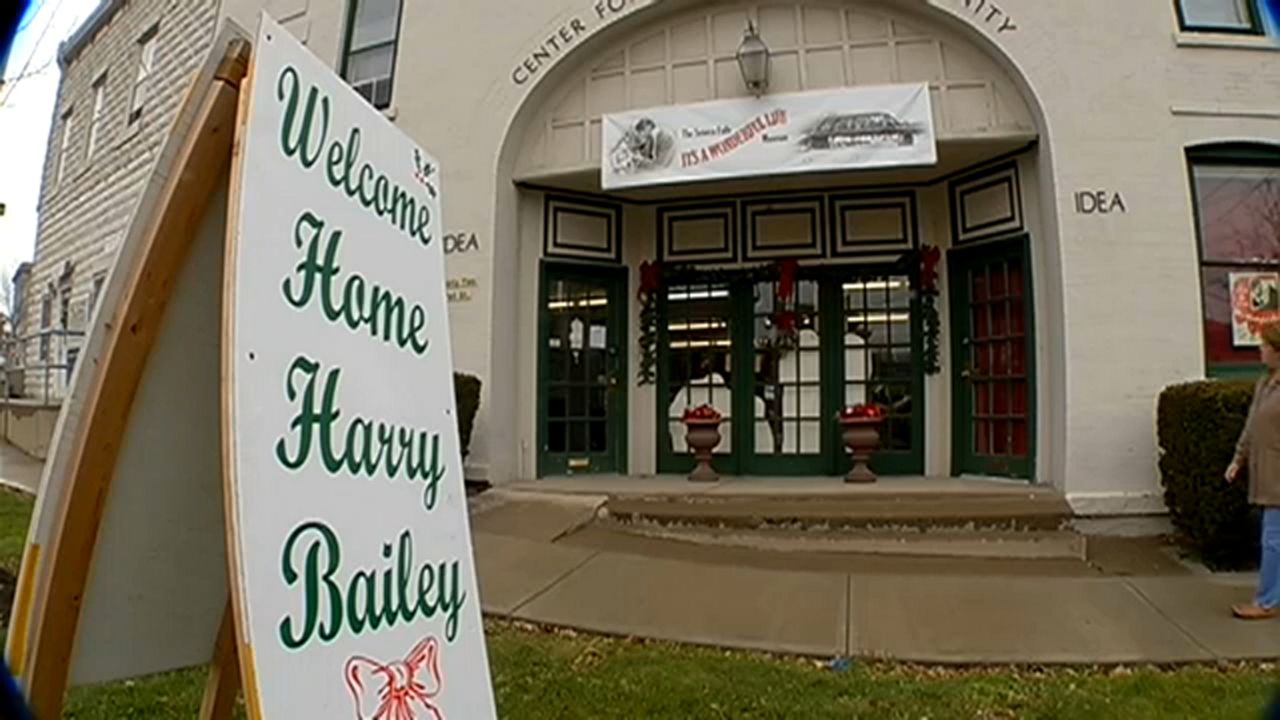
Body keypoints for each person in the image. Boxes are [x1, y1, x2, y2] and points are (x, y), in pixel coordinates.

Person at [1226, 321, 1280, 620]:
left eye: (1265, 346)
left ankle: (1267, 602)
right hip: (1267, 472)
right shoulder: (1265, 384)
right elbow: (1252, 425)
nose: (1260, 350)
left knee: (1273, 540)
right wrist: (1238, 459)